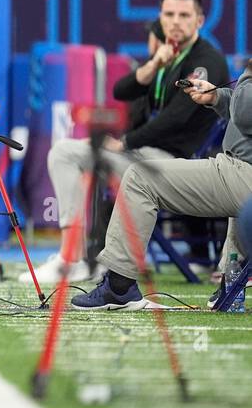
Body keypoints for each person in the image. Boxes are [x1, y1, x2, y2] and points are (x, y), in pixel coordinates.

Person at [22, 0, 228, 287]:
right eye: (169, 14)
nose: (175, 21)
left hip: (173, 162)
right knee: (64, 152)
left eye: (184, 15)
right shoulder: (166, 56)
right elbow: (121, 91)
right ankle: (73, 256)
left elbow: (175, 119)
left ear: (199, 20)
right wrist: (154, 64)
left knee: (100, 161)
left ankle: (87, 261)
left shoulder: (206, 60)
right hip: (142, 154)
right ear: (160, 17)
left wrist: (124, 143)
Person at [73, 63, 252, 309]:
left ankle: (118, 286)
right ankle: (231, 285)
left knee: (140, 178)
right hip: (240, 170)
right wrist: (217, 97)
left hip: (243, 172)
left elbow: (244, 111)